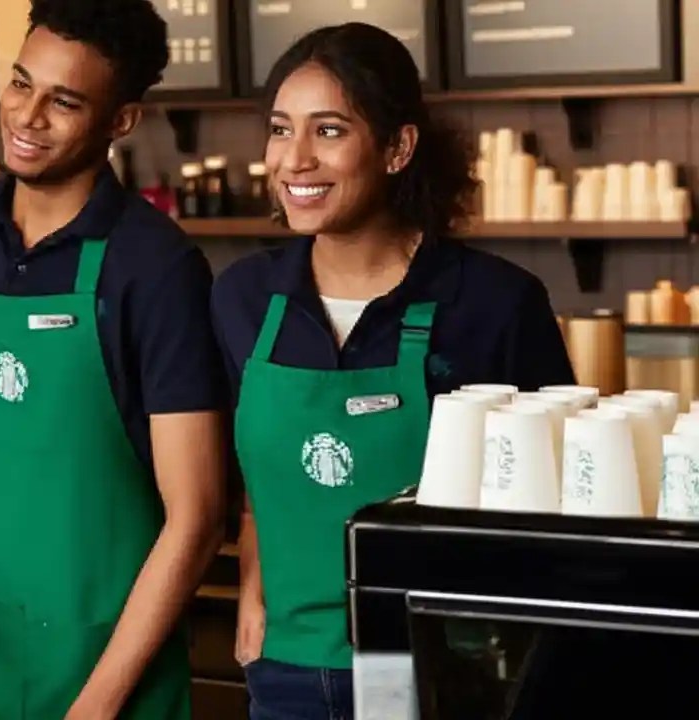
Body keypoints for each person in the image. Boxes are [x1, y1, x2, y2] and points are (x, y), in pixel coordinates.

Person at [209, 23, 575, 720]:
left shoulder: (494, 304)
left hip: (443, 673)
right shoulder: (243, 299)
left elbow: (550, 512)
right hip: (287, 666)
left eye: (329, 131)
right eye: (281, 130)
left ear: (398, 147)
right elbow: (253, 483)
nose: (296, 160)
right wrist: (253, 579)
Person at [0, 1, 228, 718]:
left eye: (64, 101)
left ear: (121, 121)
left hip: (111, 666)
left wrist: (100, 702)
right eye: (21, 84)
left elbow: (198, 515)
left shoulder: (157, 267)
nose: (27, 116)